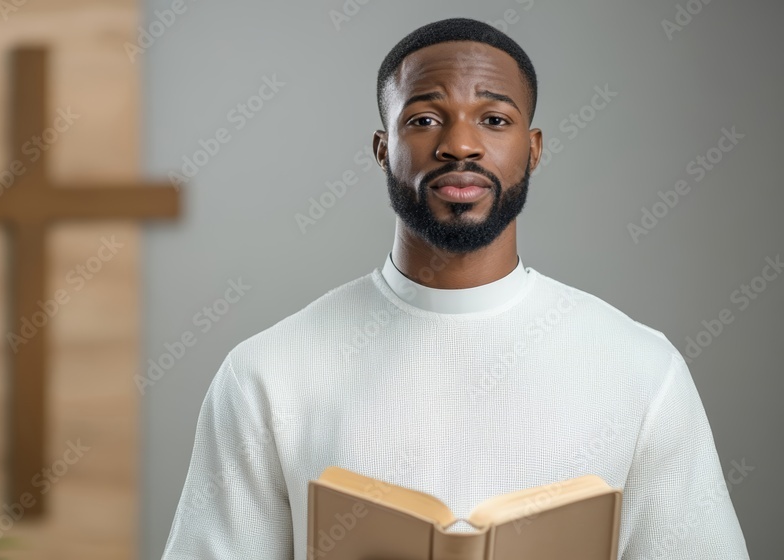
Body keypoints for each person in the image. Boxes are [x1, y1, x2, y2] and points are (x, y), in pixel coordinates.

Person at [160, 17, 750, 560]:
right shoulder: (264, 375)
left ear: (534, 149)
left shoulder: (643, 372)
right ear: (382, 148)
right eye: (424, 119)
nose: (460, 145)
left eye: (494, 120)